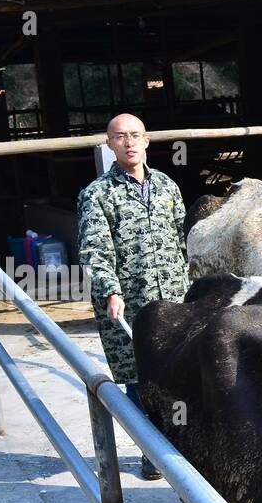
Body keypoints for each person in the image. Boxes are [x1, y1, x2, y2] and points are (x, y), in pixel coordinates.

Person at [77, 113, 189, 479]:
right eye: (120, 136)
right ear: (109, 144)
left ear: (146, 141)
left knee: (177, 372)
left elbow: (180, 240)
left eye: (135, 135)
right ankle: (150, 456)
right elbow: (94, 252)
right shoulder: (96, 195)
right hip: (130, 305)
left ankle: (179, 448)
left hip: (172, 299)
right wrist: (110, 290)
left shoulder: (167, 186)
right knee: (139, 380)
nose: (128, 142)